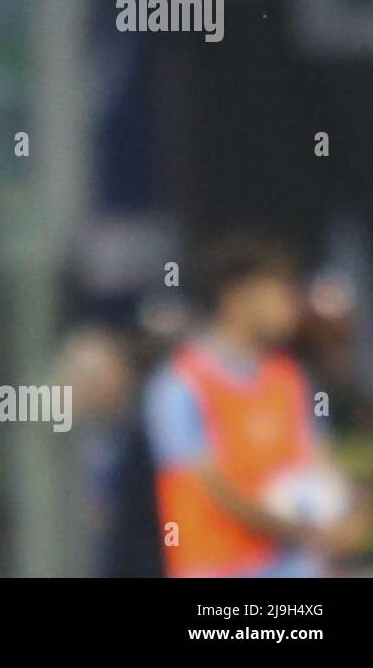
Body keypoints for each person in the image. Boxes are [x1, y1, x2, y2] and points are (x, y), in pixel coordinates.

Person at [145, 235, 365, 577]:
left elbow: (318, 462)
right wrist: (307, 532)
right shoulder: (180, 386)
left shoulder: (289, 379)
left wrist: (349, 516)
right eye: (279, 293)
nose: (290, 307)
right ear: (237, 298)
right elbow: (212, 487)